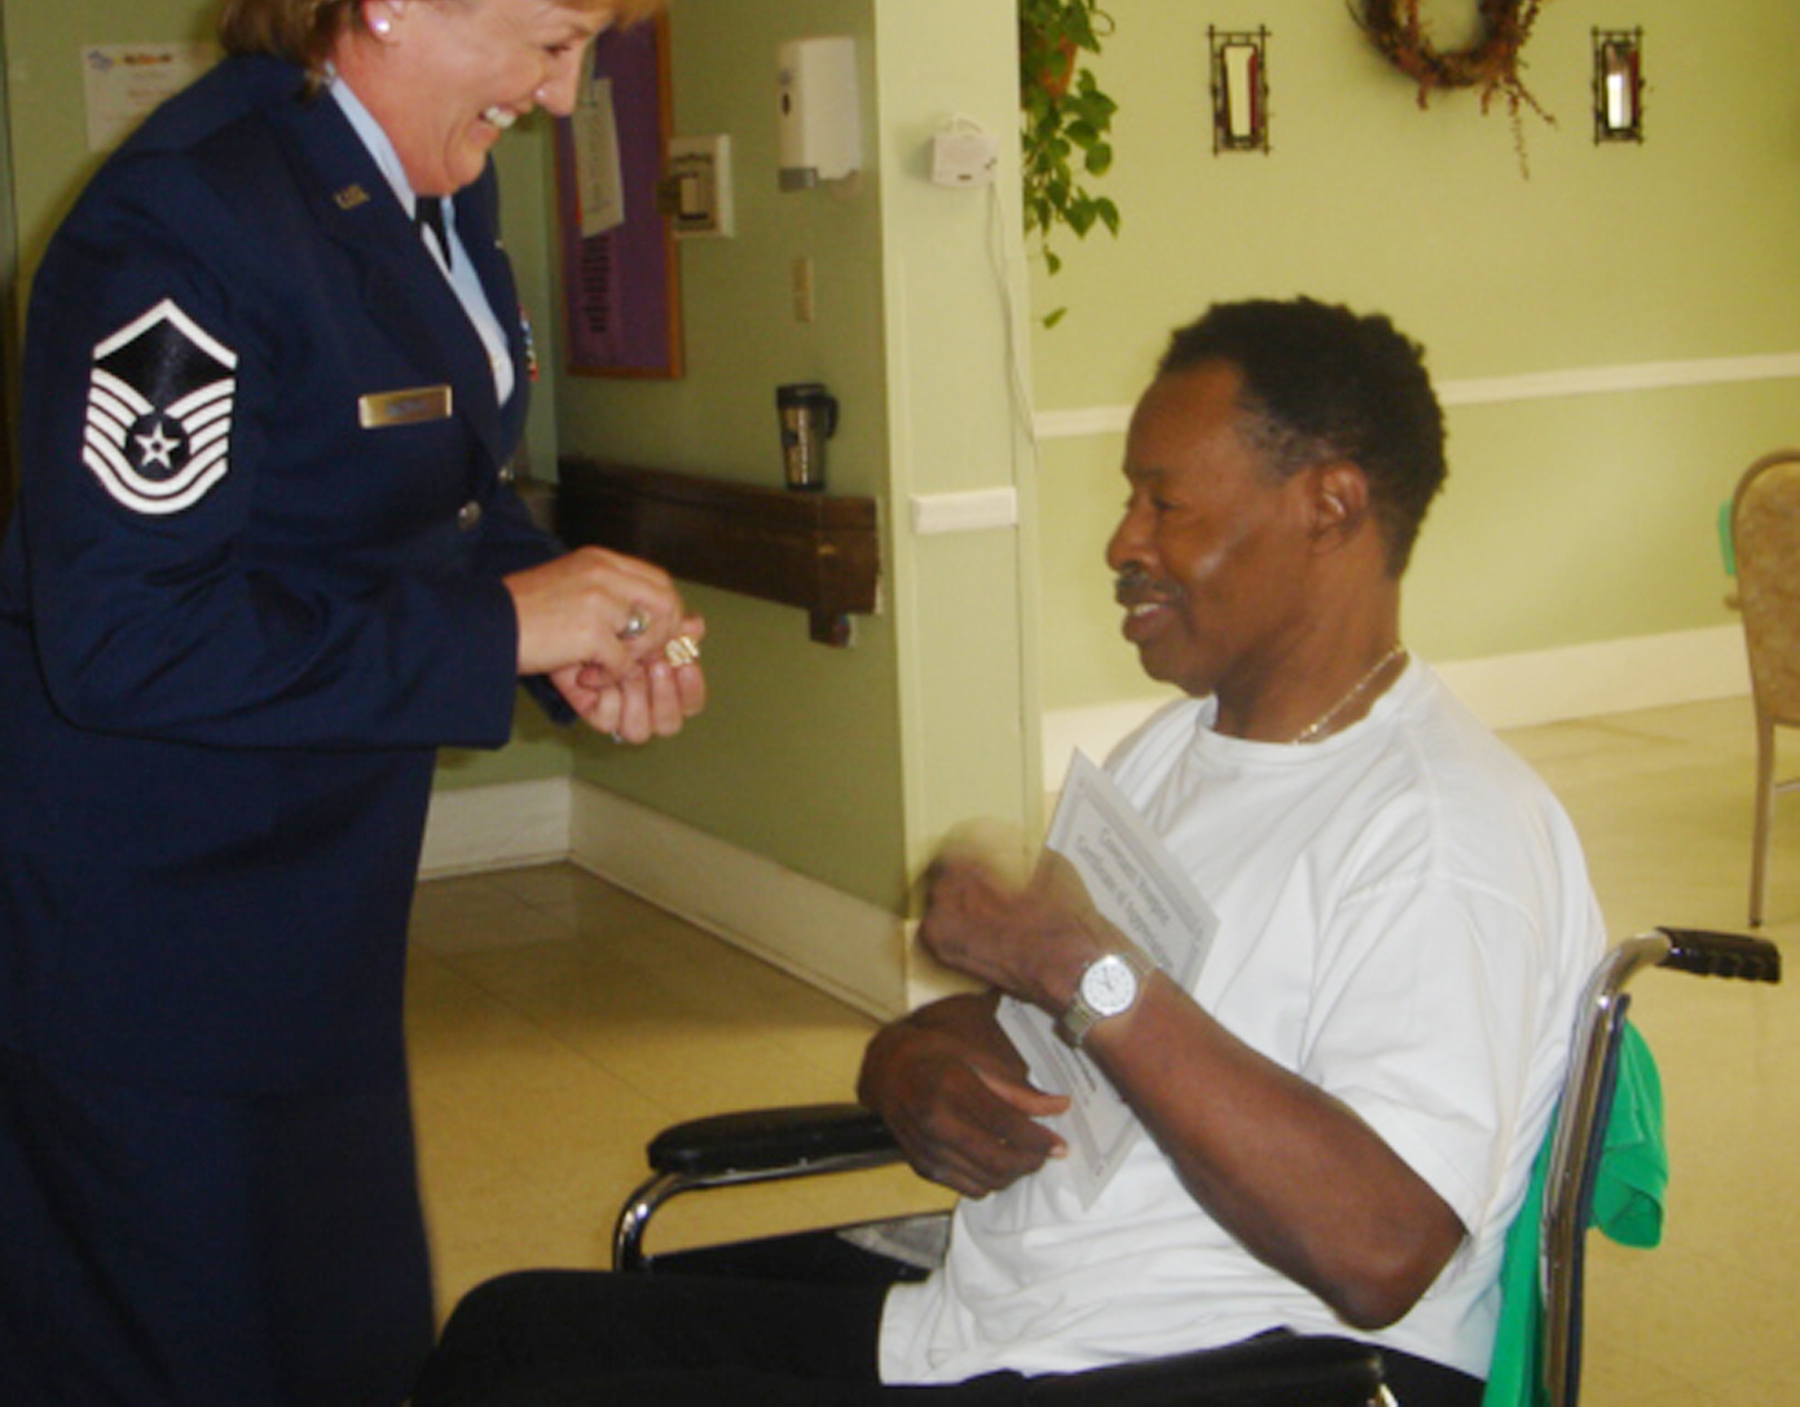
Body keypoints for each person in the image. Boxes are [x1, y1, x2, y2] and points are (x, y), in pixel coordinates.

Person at [411, 298, 1604, 1407]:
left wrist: (1088, 967)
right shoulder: (1176, 749)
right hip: (1008, 1316)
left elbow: (1383, 1248)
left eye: (1165, 502)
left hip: (1219, 1362)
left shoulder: (1447, 830)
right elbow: (1036, 1030)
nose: (1121, 540)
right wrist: (908, 1063)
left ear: (1330, 505)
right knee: (513, 1336)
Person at [0, 0, 705, 1406]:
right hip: (141, 938)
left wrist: (559, 621)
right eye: (546, 40)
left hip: (303, 910)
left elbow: (412, 505)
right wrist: (493, 625)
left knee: (345, 1329)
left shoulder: (425, 197)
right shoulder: (180, 229)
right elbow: (123, 635)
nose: (556, 91)